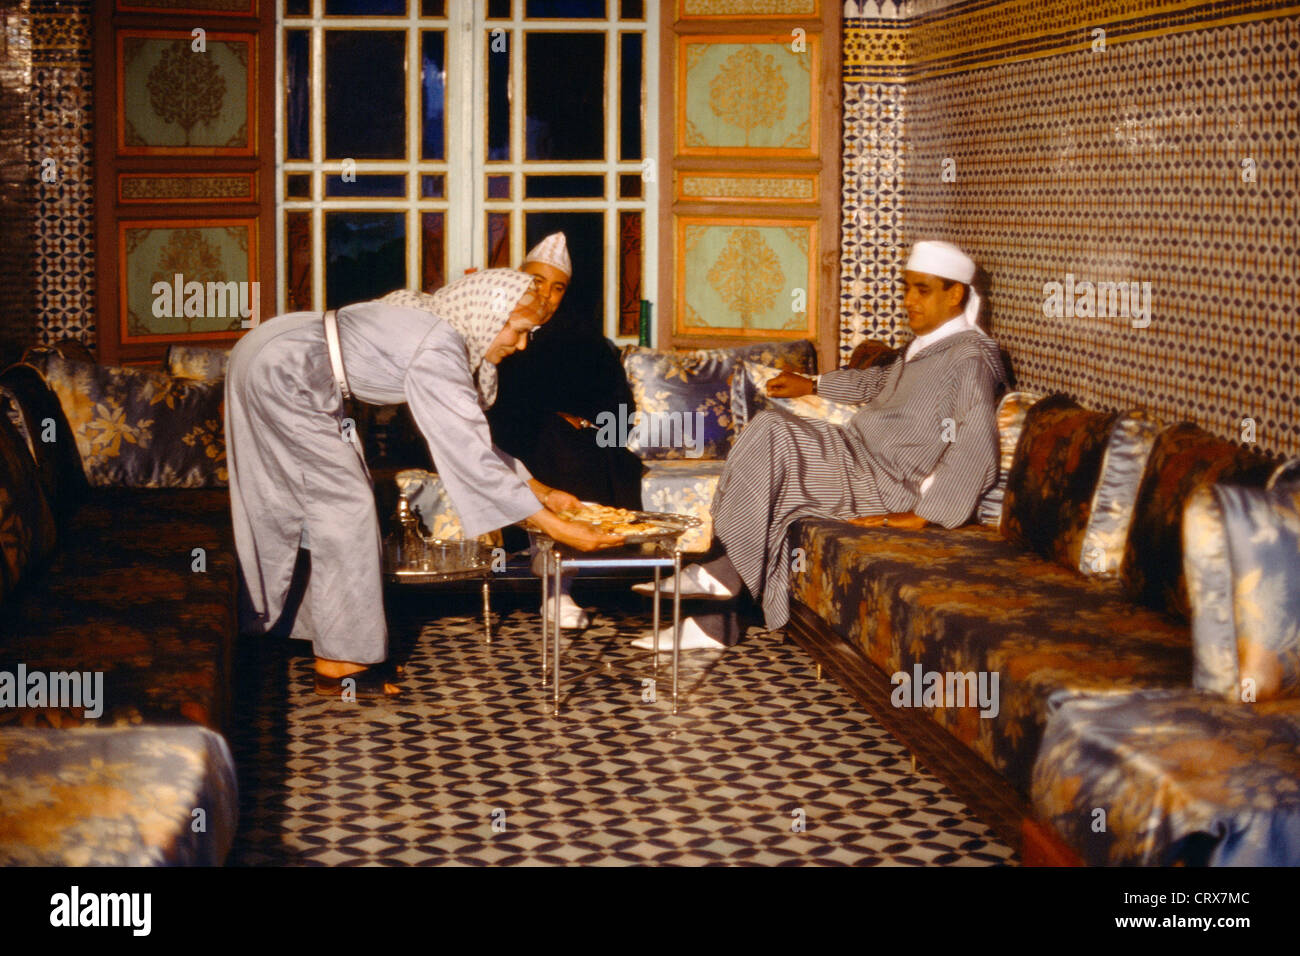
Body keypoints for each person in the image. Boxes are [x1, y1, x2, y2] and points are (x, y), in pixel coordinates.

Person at [226, 269, 623, 699]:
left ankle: (308, 634)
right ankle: (340, 664)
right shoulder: (439, 347)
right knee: (346, 505)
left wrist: (541, 491)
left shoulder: (442, 332)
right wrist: (556, 527)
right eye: (520, 331)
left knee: (313, 504)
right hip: (286, 368)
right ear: (490, 317)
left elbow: (470, 441)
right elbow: (466, 450)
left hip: (281, 355)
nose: (521, 344)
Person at [632, 241, 1006, 649]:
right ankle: (714, 617)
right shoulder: (927, 347)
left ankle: (718, 580)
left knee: (775, 433)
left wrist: (925, 514)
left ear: (955, 294)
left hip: (885, 482)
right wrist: (813, 383)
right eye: (907, 288)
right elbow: (876, 383)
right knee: (772, 434)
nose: (909, 301)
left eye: (922, 290)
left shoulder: (968, 359)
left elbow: (977, 443)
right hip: (855, 458)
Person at [487, 232, 644, 628]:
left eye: (557, 288)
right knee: (549, 436)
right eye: (537, 281)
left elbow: (616, 406)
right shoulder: (492, 321)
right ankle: (549, 585)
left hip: (569, 441)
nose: (546, 295)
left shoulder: (582, 336)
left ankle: (560, 588)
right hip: (501, 431)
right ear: (518, 278)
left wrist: (589, 423)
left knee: (573, 445)